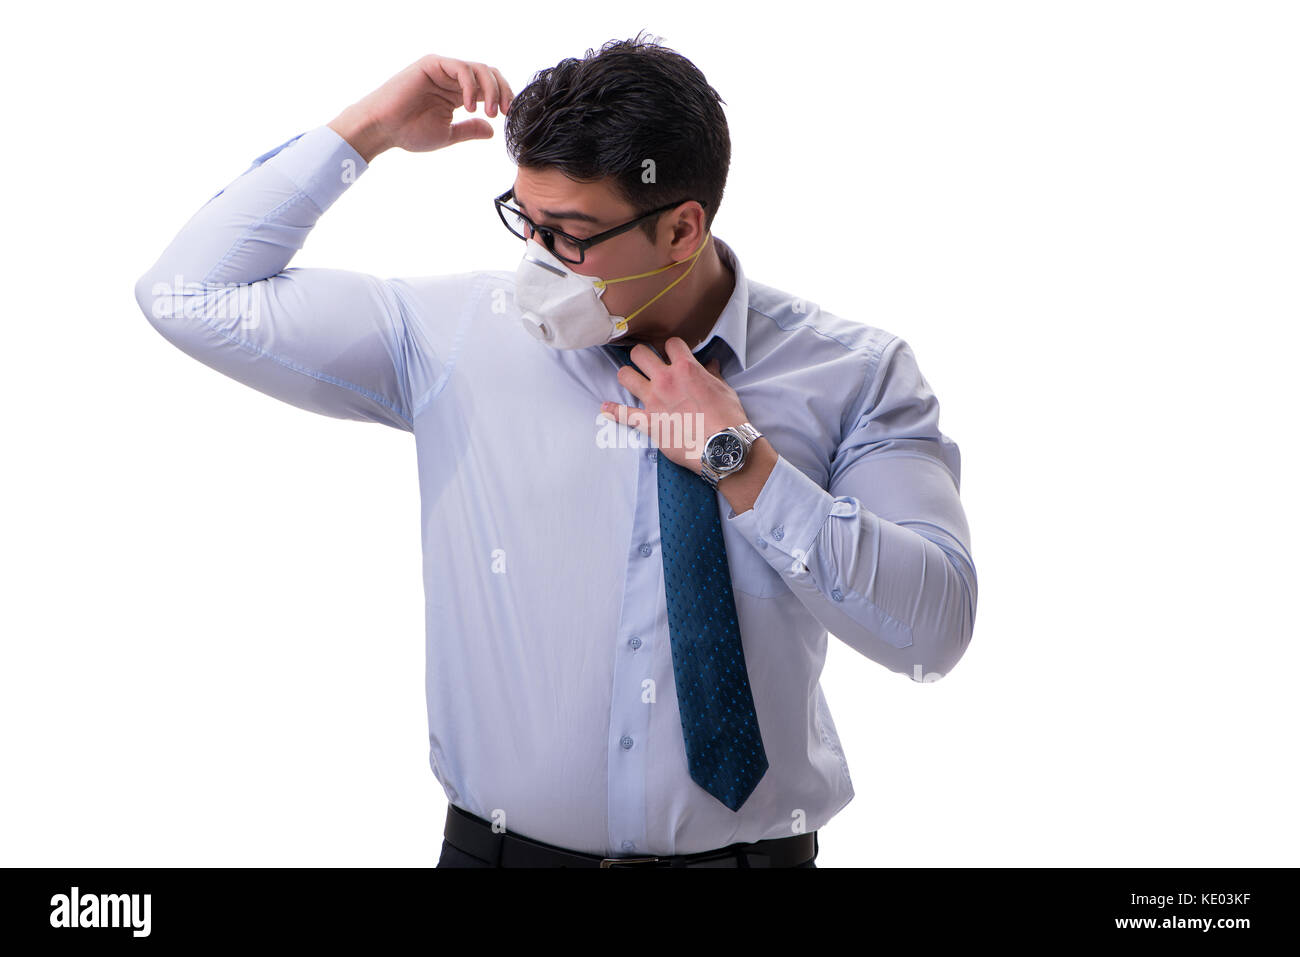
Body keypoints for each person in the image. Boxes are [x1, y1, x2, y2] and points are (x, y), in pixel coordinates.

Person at [133, 33, 977, 868]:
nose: (539, 264)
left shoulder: (855, 374)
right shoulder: (452, 338)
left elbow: (932, 630)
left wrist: (739, 460)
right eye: (524, 223)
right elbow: (186, 294)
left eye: (571, 236)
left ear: (683, 228)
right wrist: (368, 131)